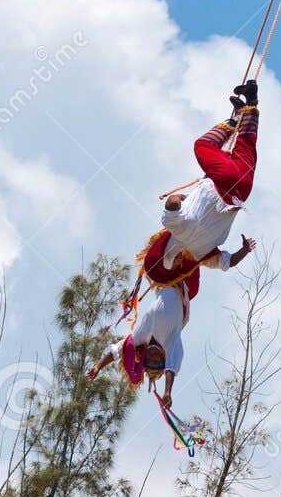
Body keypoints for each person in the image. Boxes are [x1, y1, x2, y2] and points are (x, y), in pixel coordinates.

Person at [86, 81, 261, 407]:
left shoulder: (141, 335)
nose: (155, 357)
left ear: (143, 354)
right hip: (231, 189)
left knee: (235, 153)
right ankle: (240, 115)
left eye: (150, 360)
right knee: (212, 148)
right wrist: (167, 392)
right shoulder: (172, 339)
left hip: (231, 190)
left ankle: (245, 110)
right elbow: (174, 365)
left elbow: (117, 349)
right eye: (157, 361)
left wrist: (98, 366)